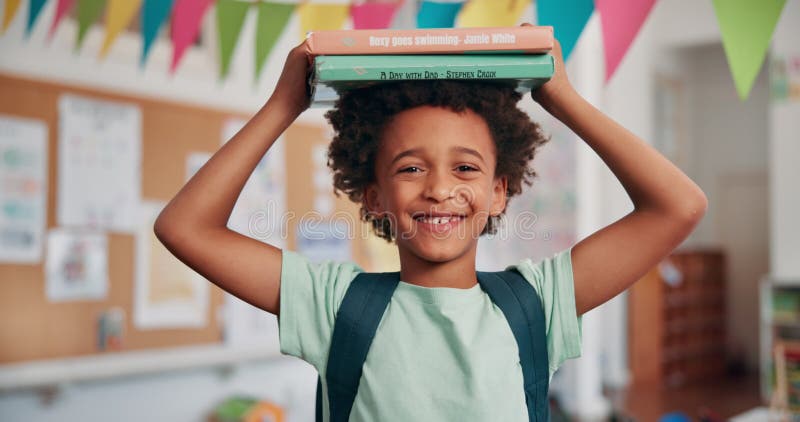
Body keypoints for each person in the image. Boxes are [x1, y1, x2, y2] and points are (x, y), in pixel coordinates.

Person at [154, 27, 707, 421]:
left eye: (465, 168)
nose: (440, 188)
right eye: (410, 168)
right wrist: (282, 106)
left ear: (498, 192)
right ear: (374, 196)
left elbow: (678, 206)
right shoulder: (333, 303)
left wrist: (561, 97)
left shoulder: (541, 301)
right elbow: (186, 227)